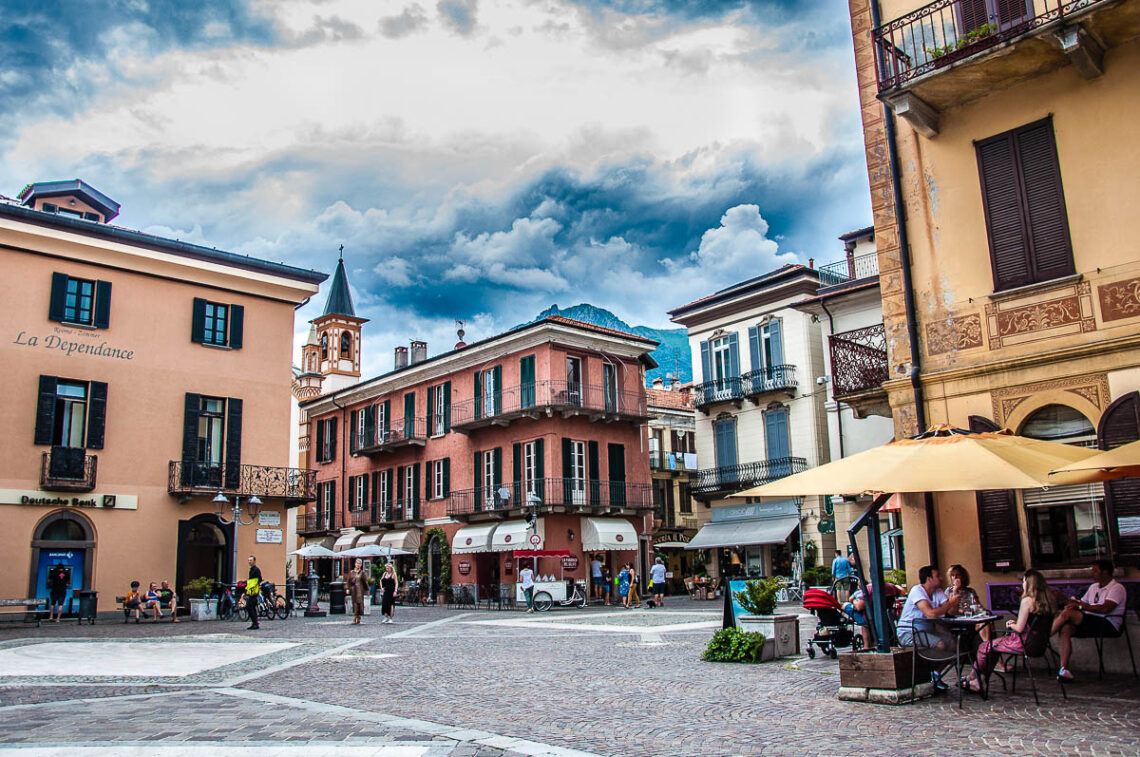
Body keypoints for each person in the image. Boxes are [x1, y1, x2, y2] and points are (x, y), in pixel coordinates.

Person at [962, 569, 1056, 693]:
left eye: (1023, 581)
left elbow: (1019, 628)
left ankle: (975, 677)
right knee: (993, 650)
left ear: (1028, 583)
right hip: (1040, 644)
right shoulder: (1049, 601)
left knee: (984, 647)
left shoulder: (1027, 601)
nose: (1022, 584)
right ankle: (979, 679)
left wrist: (1011, 625)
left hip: (1024, 643)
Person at [1052, 559, 1127, 681]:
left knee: (1067, 614)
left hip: (1108, 623)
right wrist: (1062, 598)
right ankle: (1063, 669)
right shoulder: (1093, 587)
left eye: (1095, 571)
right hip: (1091, 622)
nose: (1092, 573)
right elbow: (1080, 603)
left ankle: (1044, 636)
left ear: (1105, 572)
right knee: (1066, 628)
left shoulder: (1117, 588)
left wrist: (1080, 607)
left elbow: (1105, 608)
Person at [896, 565, 960, 690]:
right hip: (909, 633)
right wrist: (949, 604)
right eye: (938, 576)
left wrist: (955, 592)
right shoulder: (917, 591)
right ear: (929, 579)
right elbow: (930, 613)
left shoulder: (938, 591)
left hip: (926, 632)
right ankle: (928, 675)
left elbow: (952, 612)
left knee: (954, 643)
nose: (941, 578)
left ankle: (935, 674)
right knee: (940, 644)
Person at [945, 564, 986, 641]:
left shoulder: (970, 591)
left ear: (962, 576)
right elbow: (951, 611)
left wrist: (980, 610)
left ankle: (986, 646)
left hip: (972, 617)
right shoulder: (949, 591)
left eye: (957, 575)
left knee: (985, 623)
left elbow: (978, 606)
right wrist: (955, 590)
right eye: (953, 575)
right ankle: (986, 648)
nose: (955, 577)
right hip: (958, 620)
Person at [348, 558, 367, 625]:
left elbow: (365, 582)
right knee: (354, 603)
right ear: (355, 564)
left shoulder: (362, 573)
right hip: (353, 590)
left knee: (359, 603)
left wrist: (367, 590)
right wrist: (347, 588)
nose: (358, 565)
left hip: (359, 590)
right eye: (357, 563)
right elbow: (348, 581)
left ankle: (356, 617)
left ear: (361, 565)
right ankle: (356, 617)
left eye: (359, 563)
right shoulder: (351, 572)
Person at [246, 555, 262, 630]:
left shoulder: (256, 570)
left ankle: (255, 622)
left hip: (254, 591)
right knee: (251, 607)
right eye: (249, 560)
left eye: (251, 560)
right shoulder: (251, 570)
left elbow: (259, 578)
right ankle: (255, 622)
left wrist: (254, 585)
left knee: (249, 606)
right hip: (251, 590)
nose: (249, 562)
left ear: (254, 561)